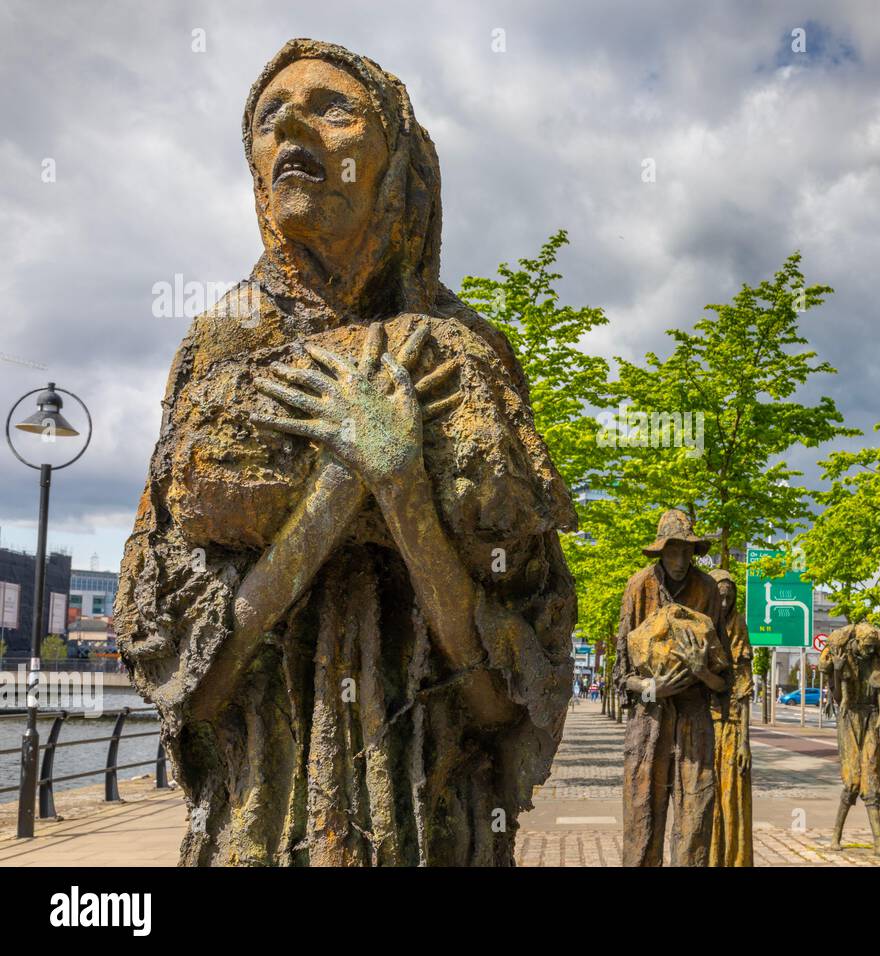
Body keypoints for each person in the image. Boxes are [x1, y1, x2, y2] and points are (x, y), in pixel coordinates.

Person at [115, 39, 576, 866]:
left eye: (334, 108)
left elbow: (500, 698)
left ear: (397, 161)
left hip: (435, 818)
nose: (292, 121)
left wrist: (402, 490)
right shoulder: (220, 347)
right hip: (264, 822)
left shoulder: (466, 354)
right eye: (268, 116)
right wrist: (339, 487)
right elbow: (198, 683)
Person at [614, 509, 730, 866]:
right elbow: (621, 678)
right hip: (649, 720)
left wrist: (701, 670)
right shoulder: (639, 586)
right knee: (642, 818)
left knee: (695, 819)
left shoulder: (707, 588)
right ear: (661, 551)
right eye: (673, 551)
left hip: (695, 721)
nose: (680, 560)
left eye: (687, 551)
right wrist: (653, 689)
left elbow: (723, 680)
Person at [823, 622, 880, 856]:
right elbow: (837, 694)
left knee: (872, 779)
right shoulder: (845, 656)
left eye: (874, 647)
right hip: (849, 717)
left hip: (870, 716)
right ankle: (835, 837)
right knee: (852, 781)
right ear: (857, 643)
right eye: (867, 646)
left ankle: (879, 844)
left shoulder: (874, 660)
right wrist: (836, 669)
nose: (871, 651)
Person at [707, 568, 753, 866]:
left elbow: (745, 690)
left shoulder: (739, 628)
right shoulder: (701, 626)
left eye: (730, 598)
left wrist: (745, 742)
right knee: (705, 799)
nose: (725, 604)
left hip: (733, 726)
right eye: (720, 598)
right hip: (702, 725)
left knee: (733, 798)